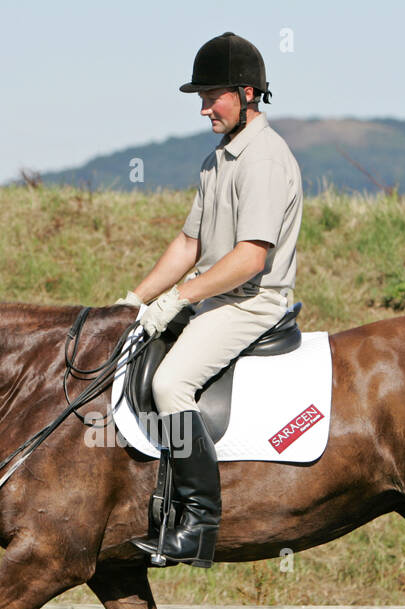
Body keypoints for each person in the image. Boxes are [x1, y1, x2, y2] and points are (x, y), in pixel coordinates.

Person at [117, 31, 302, 568]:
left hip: (251, 301)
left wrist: (178, 298)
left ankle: (198, 524)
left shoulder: (264, 158)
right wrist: (134, 299)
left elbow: (250, 258)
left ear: (246, 94)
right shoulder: (218, 159)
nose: (202, 109)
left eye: (211, 96)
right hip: (214, 299)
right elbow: (188, 244)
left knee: (171, 383)